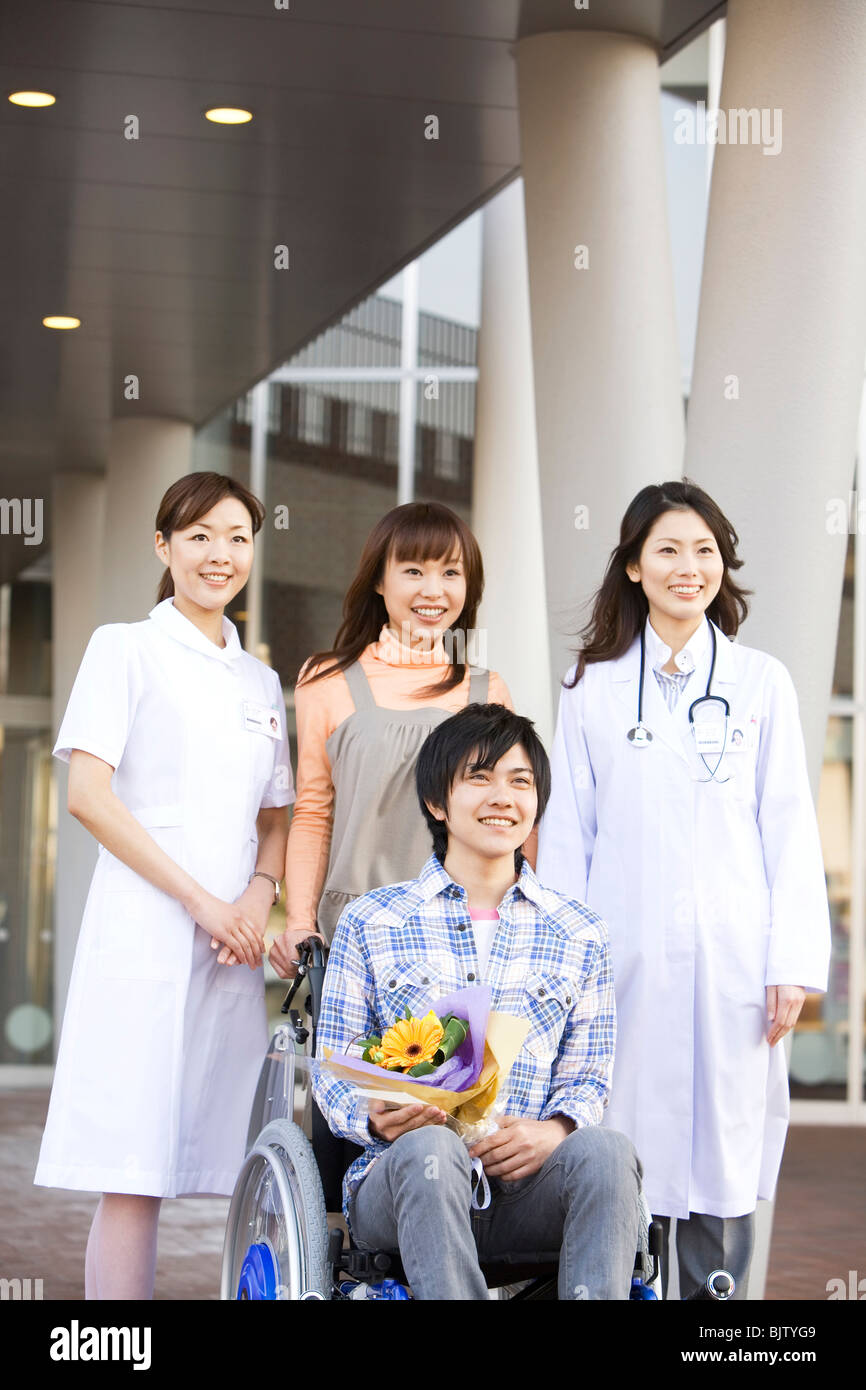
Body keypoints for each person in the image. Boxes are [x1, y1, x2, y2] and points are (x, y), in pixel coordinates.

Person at [537, 479, 831, 1299]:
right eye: (667, 549)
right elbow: (568, 839)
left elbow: (789, 827)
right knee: (619, 1166)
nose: (688, 566)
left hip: (732, 966)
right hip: (618, 969)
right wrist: (561, 972)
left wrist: (790, 962)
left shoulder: (761, 682)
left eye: (704, 550)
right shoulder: (589, 689)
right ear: (633, 565)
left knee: (717, 1171)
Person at [34, 471, 293, 1300]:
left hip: (230, 946)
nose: (221, 555)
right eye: (200, 537)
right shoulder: (125, 647)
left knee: (230, 1160)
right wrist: (200, 900)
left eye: (238, 538)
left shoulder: (258, 681)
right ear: (164, 547)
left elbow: (278, 815)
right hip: (147, 933)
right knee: (134, 1165)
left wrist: (256, 895)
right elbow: (87, 795)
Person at [311, 703, 642, 1301]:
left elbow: (588, 1075)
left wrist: (557, 1129)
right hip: (408, 1179)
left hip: (526, 1187)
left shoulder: (580, 931)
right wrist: (372, 1117)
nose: (503, 796)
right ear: (438, 802)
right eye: (480, 777)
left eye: (520, 782)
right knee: (432, 1150)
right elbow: (331, 1062)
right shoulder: (372, 920)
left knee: (604, 1149)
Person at [269, 501, 531, 978]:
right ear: (378, 579)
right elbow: (312, 813)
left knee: (465, 1056)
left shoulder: (487, 689)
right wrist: (300, 924)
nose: (433, 591)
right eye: (413, 570)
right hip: (352, 931)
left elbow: (511, 818)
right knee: (352, 1057)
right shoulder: (326, 679)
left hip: (465, 930)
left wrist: (522, 918)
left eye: (451, 572)